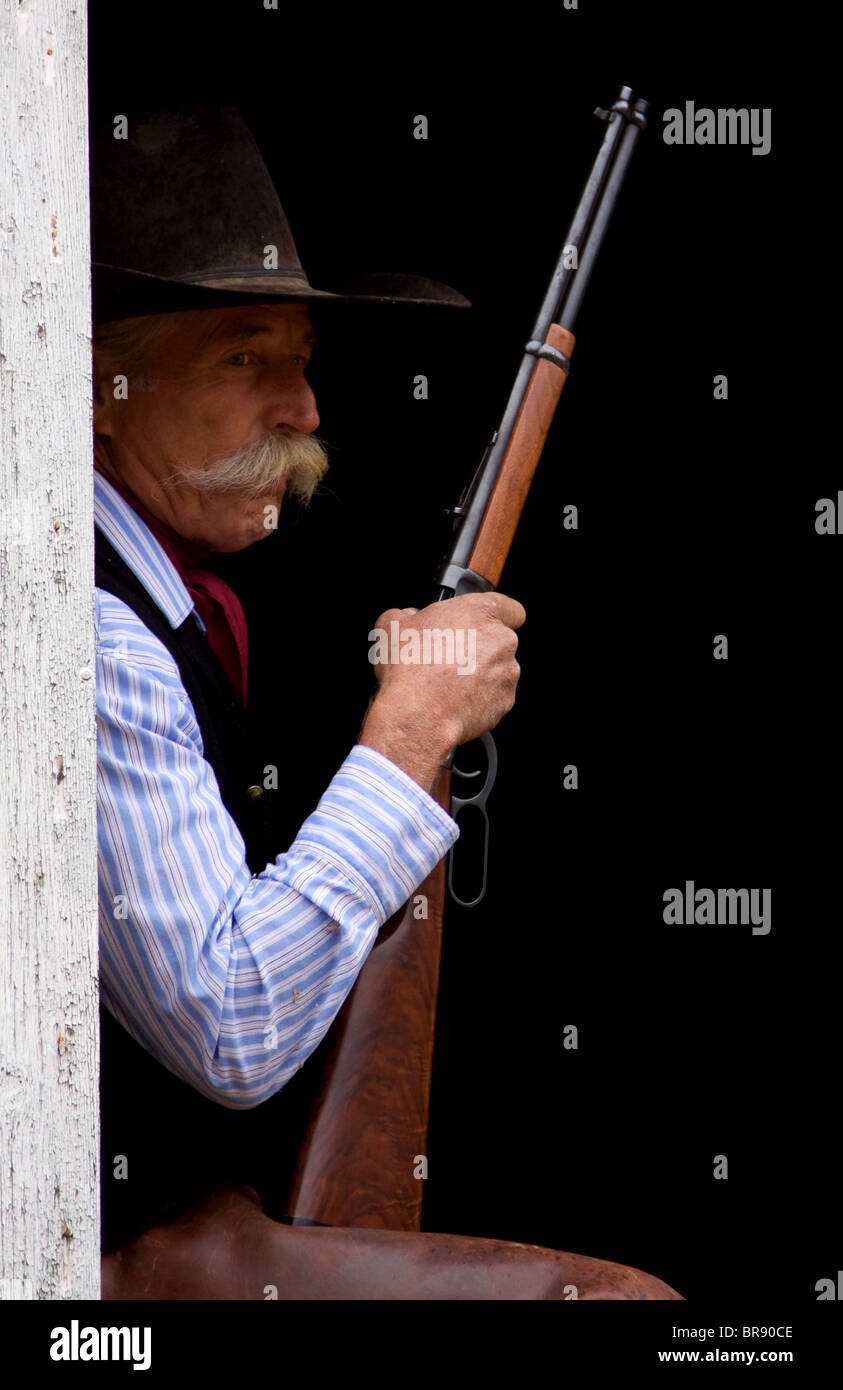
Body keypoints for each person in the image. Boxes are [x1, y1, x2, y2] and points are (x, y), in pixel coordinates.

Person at [93, 106, 681, 1299]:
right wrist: (412, 725)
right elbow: (233, 1021)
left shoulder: (177, 599)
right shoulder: (96, 636)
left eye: (302, 362)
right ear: (101, 383)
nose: (306, 412)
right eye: (244, 356)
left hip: (205, 1214)